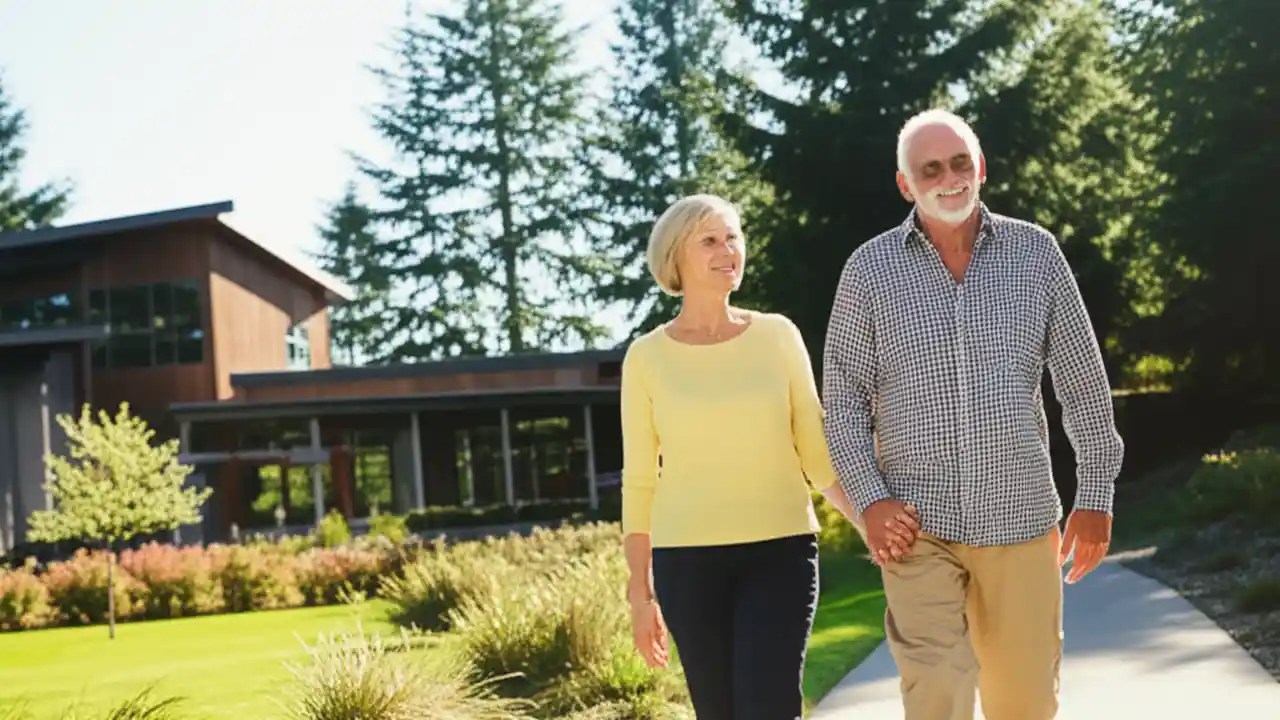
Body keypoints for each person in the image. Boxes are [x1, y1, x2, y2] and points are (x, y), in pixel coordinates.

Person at [821, 109, 1125, 720]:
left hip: (1019, 517)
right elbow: (844, 400)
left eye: (960, 162)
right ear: (906, 184)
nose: (949, 177)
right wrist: (869, 499)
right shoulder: (869, 271)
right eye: (930, 168)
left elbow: (1084, 382)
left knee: (1025, 702)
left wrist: (1096, 492)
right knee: (937, 687)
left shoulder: (1035, 254)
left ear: (980, 167)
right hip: (916, 526)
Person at [620, 193, 918, 720]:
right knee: (719, 711)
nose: (728, 249)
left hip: (779, 553)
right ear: (675, 257)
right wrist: (640, 595)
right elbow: (640, 480)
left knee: (769, 707)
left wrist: (870, 520)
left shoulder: (778, 336)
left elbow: (817, 456)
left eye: (733, 236)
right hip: (686, 561)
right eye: (710, 239)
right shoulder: (646, 357)